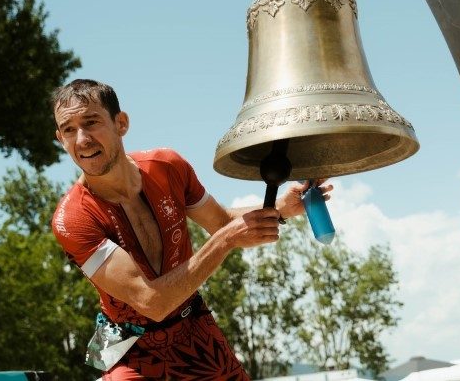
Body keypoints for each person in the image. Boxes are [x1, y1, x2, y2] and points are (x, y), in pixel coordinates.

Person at [50, 79, 331, 380]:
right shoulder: (72, 218)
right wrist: (224, 242)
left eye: (91, 122)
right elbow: (152, 302)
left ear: (121, 123)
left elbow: (222, 222)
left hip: (193, 327)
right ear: (60, 138)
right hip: (131, 347)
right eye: (69, 129)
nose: (82, 139)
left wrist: (280, 210)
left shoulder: (168, 166)